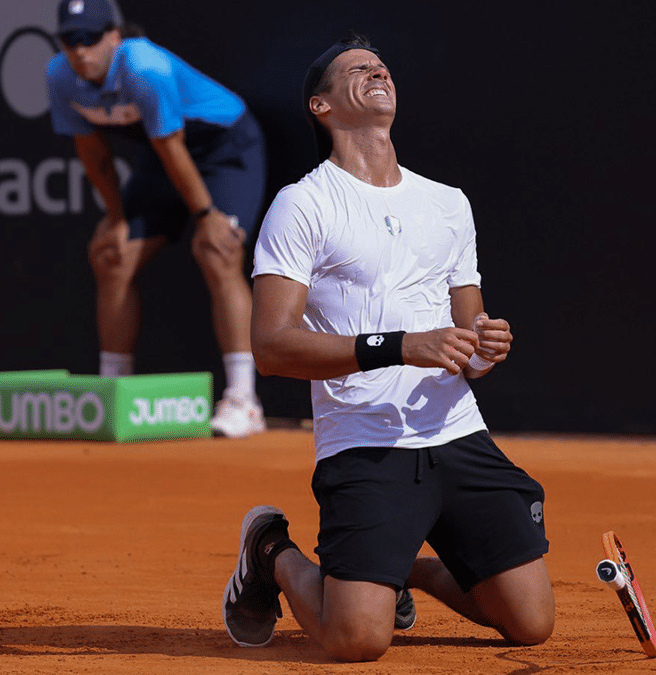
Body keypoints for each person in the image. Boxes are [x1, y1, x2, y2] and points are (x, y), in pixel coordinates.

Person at [221, 34, 555, 661]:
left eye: (381, 66)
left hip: (455, 433)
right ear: (320, 107)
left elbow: (468, 337)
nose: (377, 71)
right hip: (364, 442)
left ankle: (408, 570)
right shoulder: (302, 206)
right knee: (357, 640)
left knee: (532, 623)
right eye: (356, 69)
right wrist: (400, 345)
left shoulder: (448, 204)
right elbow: (271, 347)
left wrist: (486, 345)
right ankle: (271, 550)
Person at [45, 0, 266, 437]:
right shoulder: (60, 76)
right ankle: (112, 394)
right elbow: (93, 155)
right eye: (70, 40)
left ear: (114, 35)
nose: (80, 50)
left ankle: (245, 400)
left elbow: (172, 145)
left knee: (217, 251)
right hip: (163, 159)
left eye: (90, 38)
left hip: (225, 152)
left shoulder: (145, 67)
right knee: (113, 256)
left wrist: (207, 216)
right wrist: (116, 218)